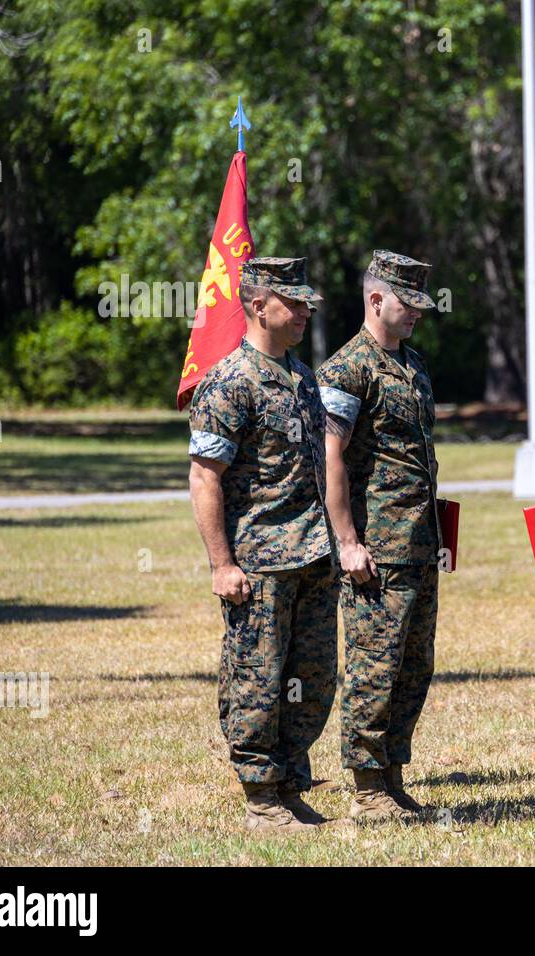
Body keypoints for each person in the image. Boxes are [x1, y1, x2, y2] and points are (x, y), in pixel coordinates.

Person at [187, 256, 337, 831]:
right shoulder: (229, 383)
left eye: (306, 303)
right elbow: (205, 477)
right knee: (257, 676)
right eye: (293, 303)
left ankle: (291, 780)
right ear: (258, 305)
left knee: (314, 674)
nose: (304, 312)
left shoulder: (301, 377)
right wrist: (222, 564)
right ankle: (260, 793)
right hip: (260, 560)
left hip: (312, 554)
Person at [316, 250, 442, 824]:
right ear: (376, 300)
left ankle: (392, 773)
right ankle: (367, 785)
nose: (416, 313)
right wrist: (347, 540)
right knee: (374, 664)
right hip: (376, 549)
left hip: (418, 542)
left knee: (415, 664)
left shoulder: (413, 365)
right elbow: (330, 459)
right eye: (406, 302)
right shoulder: (347, 369)